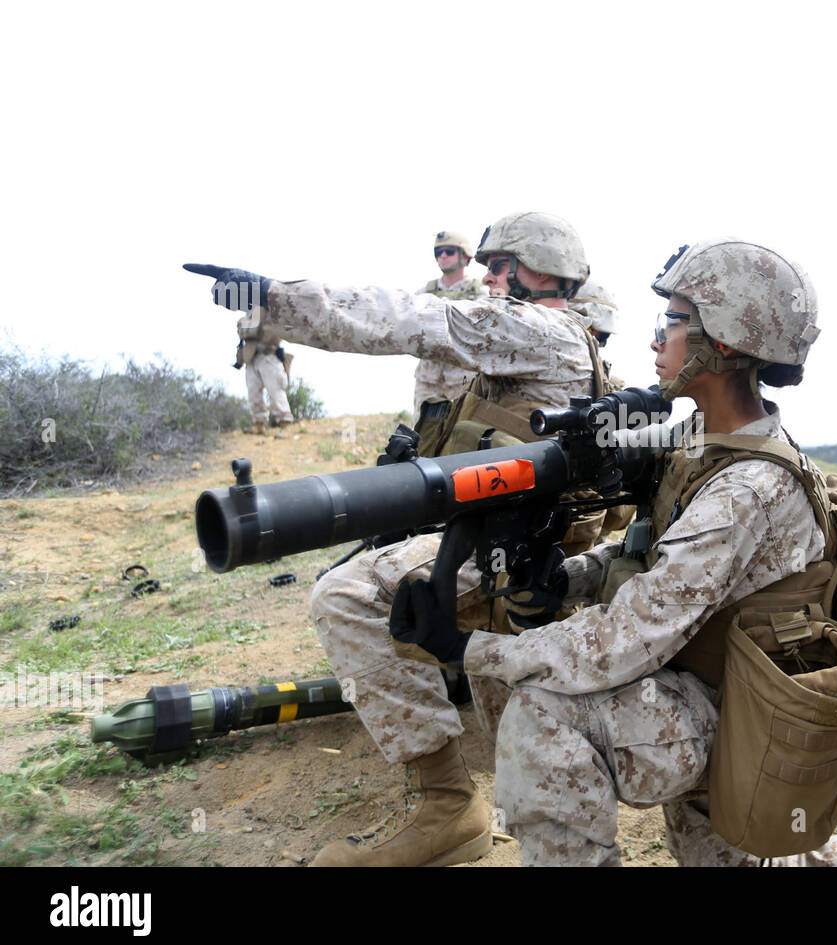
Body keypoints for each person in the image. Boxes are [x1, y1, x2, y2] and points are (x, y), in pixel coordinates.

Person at [399, 238, 837, 866]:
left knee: (543, 716)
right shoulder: (700, 442)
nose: (658, 339)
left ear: (727, 341)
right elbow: (651, 556)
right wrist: (570, 580)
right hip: (712, 683)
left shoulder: (747, 488)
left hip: (742, 712)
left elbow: (621, 643)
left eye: (676, 320)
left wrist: (467, 648)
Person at [184, 211, 622, 867]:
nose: (486, 275)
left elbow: (408, 318)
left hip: (516, 556)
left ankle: (449, 805)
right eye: (485, 263)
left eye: (502, 265)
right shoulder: (541, 343)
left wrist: (273, 298)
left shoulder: (539, 329)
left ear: (546, 273)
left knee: (346, 594)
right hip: (507, 549)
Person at [411, 230, 485, 443]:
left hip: (462, 380)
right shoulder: (425, 293)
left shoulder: (480, 294)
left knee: (458, 437)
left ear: (465, 256)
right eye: (438, 252)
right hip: (429, 379)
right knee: (422, 436)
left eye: (449, 251)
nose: (442, 256)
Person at [234, 309, 293, 434]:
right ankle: (258, 425)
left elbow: (272, 334)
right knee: (253, 392)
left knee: (275, 390)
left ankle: (285, 425)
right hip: (251, 357)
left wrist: (254, 327)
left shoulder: (273, 309)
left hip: (269, 356)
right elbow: (244, 331)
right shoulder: (251, 312)